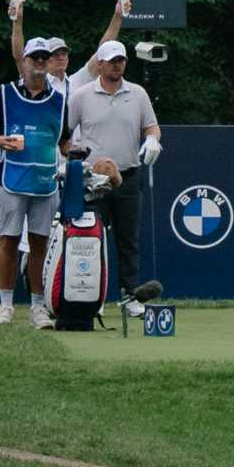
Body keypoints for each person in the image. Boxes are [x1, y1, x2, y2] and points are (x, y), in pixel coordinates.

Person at [65, 40, 161, 319]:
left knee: (128, 240)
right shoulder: (82, 95)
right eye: (112, 61)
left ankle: (130, 296)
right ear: (100, 64)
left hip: (129, 177)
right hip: (93, 181)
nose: (117, 65)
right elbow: (65, 135)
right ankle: (91, 299)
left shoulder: (138, 94)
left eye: (121, 60)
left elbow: (151, 126)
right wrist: (79, 161)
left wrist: (153, 140)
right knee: (90, 241)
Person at [0, 43, 69, 328]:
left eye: (45, 58)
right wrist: (0, 142)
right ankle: (6, 306)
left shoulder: (59, 100)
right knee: (8, 241)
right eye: (35, 57)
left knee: (39, 245)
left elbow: (64, 140)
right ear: (24, 60)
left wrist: (80, 157)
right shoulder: (5, 93)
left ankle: (37, 308)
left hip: (45, 182)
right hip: (11, 179)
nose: (41, 62)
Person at [8, 0, 123, 96]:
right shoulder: (36, 78)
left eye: (64, 53)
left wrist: (118, 16)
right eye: (55, 54)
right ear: (45, 59)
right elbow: (19, 57)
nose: (61, 57)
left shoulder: (77, 81)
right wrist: (17, 22)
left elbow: (104, 50)